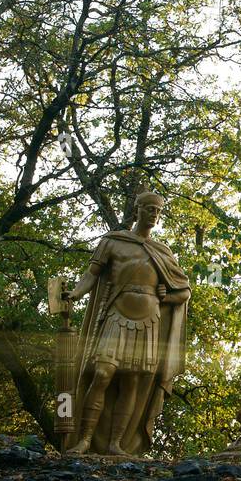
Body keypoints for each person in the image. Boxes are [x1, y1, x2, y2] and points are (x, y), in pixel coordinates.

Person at [61, 191, 191, 455]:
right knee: (102, 374)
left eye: (158, 210)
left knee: (132, 382)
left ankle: (116, 444)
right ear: (137, 210)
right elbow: (92, 274)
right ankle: (84, 440)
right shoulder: (113, 241)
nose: (154, 214)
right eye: (149, 209)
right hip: (116, 315)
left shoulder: (162, 252)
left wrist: (168, 298)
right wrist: (75, 293)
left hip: (149, 322)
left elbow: (184, 291)